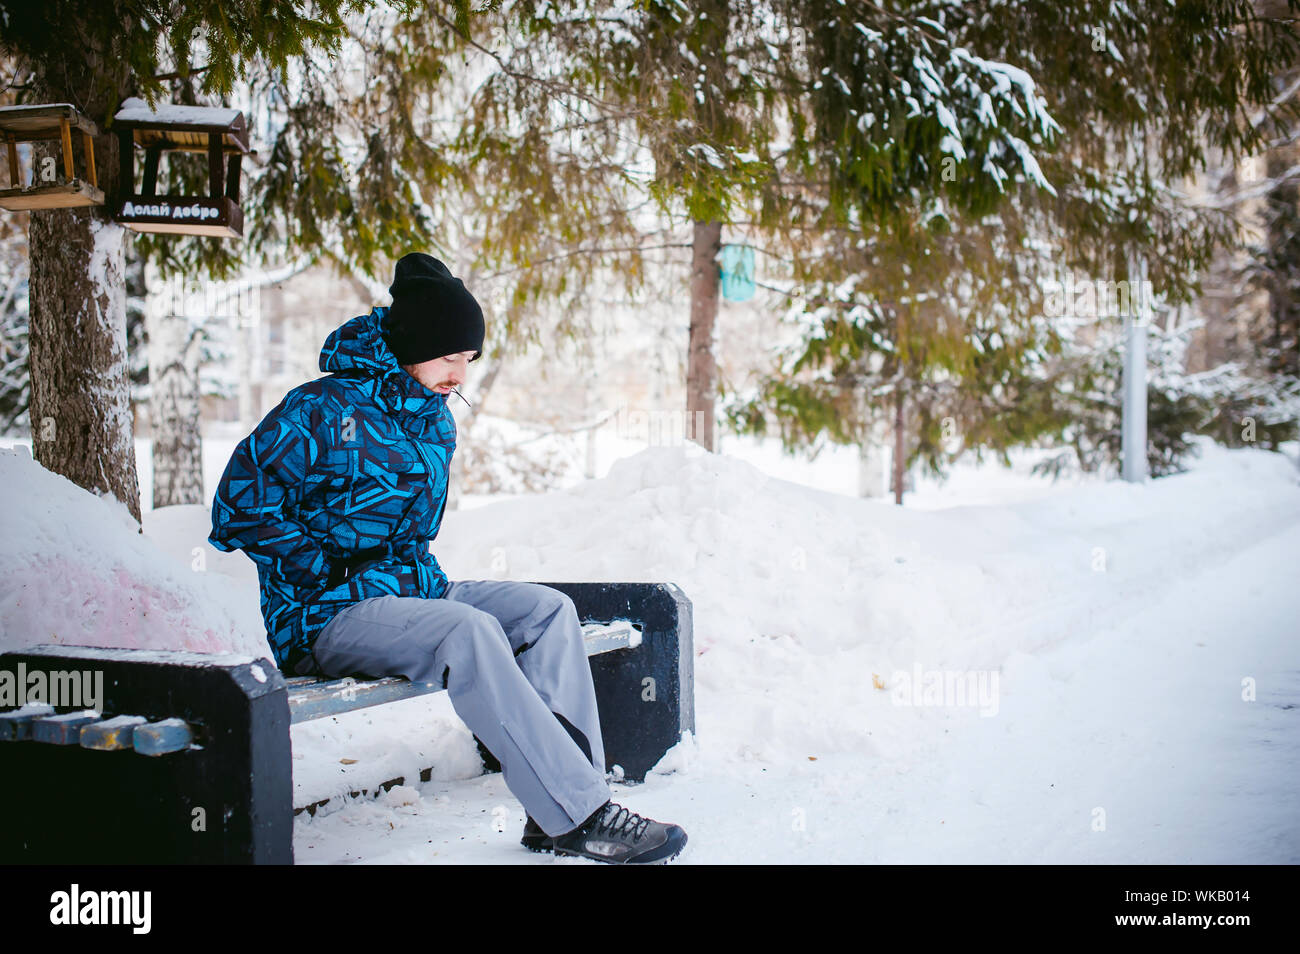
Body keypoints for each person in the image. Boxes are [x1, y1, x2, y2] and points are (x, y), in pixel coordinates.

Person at [208, 252, 687, 864]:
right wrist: (314, 565)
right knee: (470, 631)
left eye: (468, 359)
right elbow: (236, 507)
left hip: (412, 590)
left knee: (547, 611)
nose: (461, 373)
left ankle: (557, 808)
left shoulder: (433, 417)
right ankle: (584, 814)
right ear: (411, 345)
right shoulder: (319, 410)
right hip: (325, 613)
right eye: (449, 356)